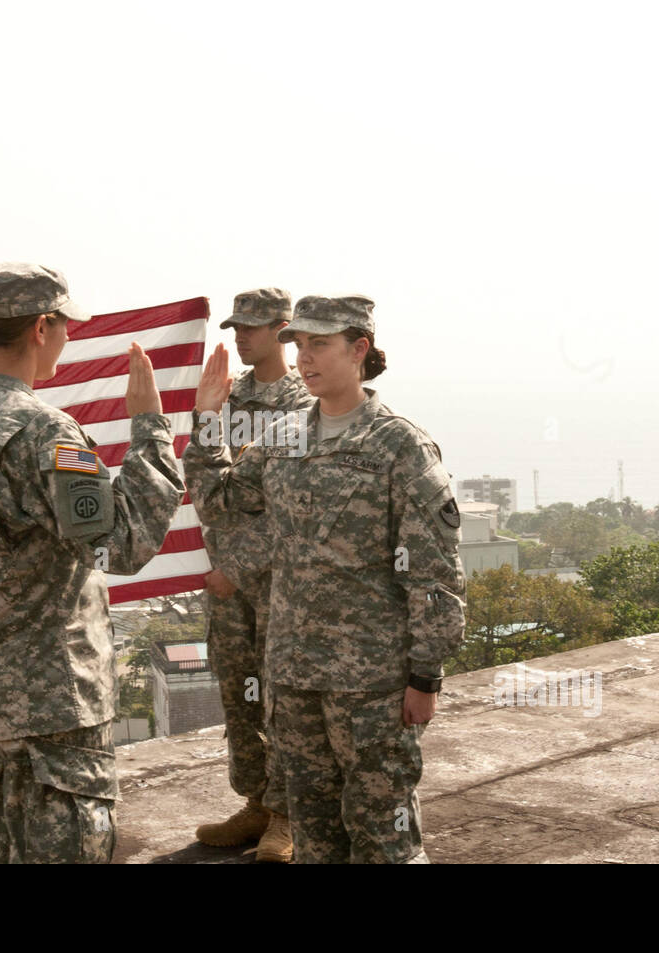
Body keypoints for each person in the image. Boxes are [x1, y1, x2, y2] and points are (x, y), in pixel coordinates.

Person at [0, 262, 185, 864]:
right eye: (64, 326)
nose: (68, 339)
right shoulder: (43, 433)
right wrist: (150, 429)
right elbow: (123, 543)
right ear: (41, 327)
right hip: (50, 714)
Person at [184, 295, 466, 864]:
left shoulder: (399, 445)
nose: (305, 357)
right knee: (315, 839)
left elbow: (433, 575)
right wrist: (209, 421)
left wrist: (425, 677)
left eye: (320, 344)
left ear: (359, 348)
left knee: (381, 835)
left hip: (372, 682)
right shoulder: (285, 436)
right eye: (300, 345)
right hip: (293, 677)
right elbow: (219, 503)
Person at [192, 288, 312, 862]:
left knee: (282, 700)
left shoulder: (303, 403)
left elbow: (296, 506)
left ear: (283, 331)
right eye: (236, 327)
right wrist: (207, 414)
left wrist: (238, 569)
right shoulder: (228, 399)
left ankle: (287, 815)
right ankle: (256, 801)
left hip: (275, 584)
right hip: (225, 583)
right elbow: (208, 490)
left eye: (254, 327)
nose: (241, 336)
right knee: (239, 692)